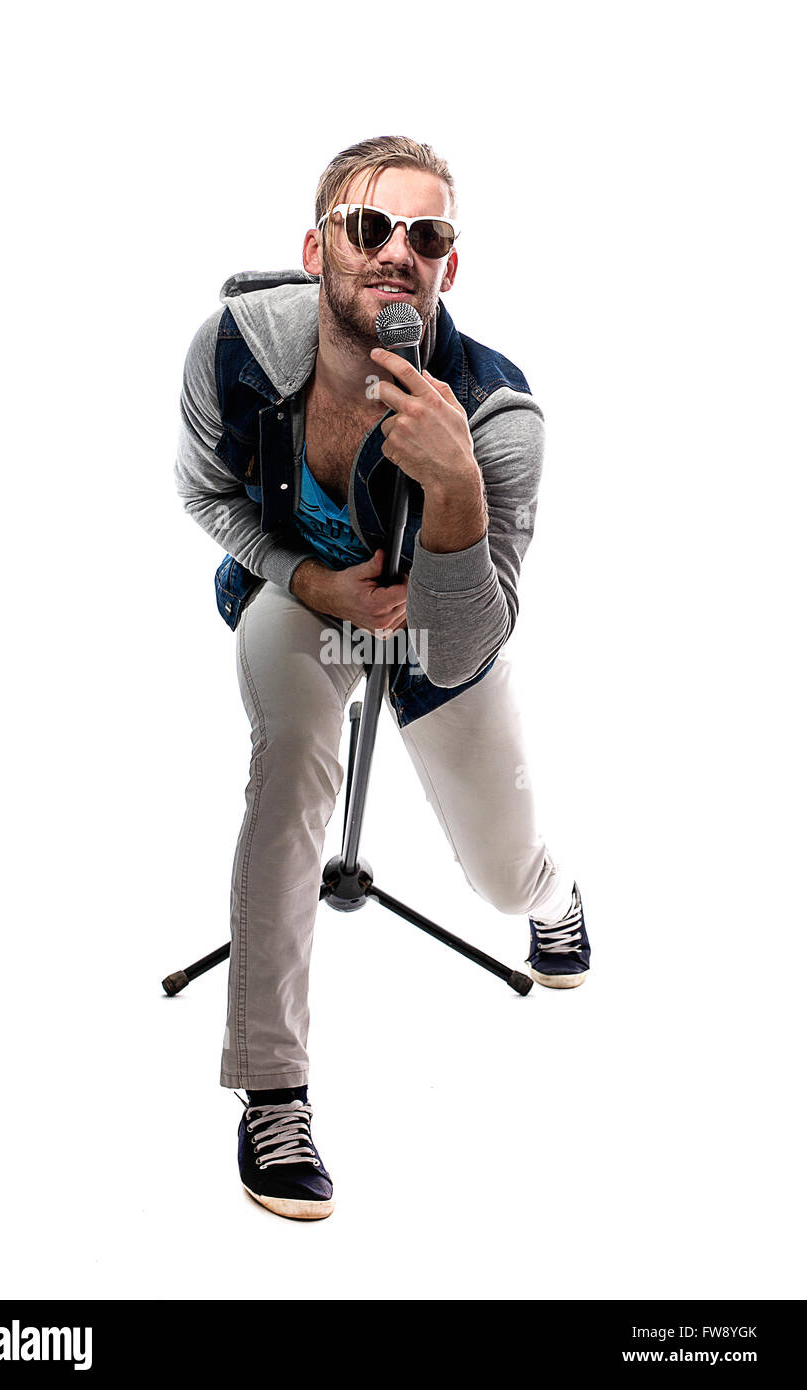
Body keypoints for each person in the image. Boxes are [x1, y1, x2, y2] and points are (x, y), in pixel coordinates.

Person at [174, 135, 591, 1221]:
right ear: (317, 248)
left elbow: (464, 645)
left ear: (449, 267)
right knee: (288, 769)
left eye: (426, 235)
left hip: (433, 628)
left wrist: (453, 492)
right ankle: (272, 1088)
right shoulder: (232, 351)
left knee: (503, 876)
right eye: (368, 228)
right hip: (304, 601)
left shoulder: (499, 418)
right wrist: (306, 578)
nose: (395, 251)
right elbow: (207, 495)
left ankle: (554, 897)